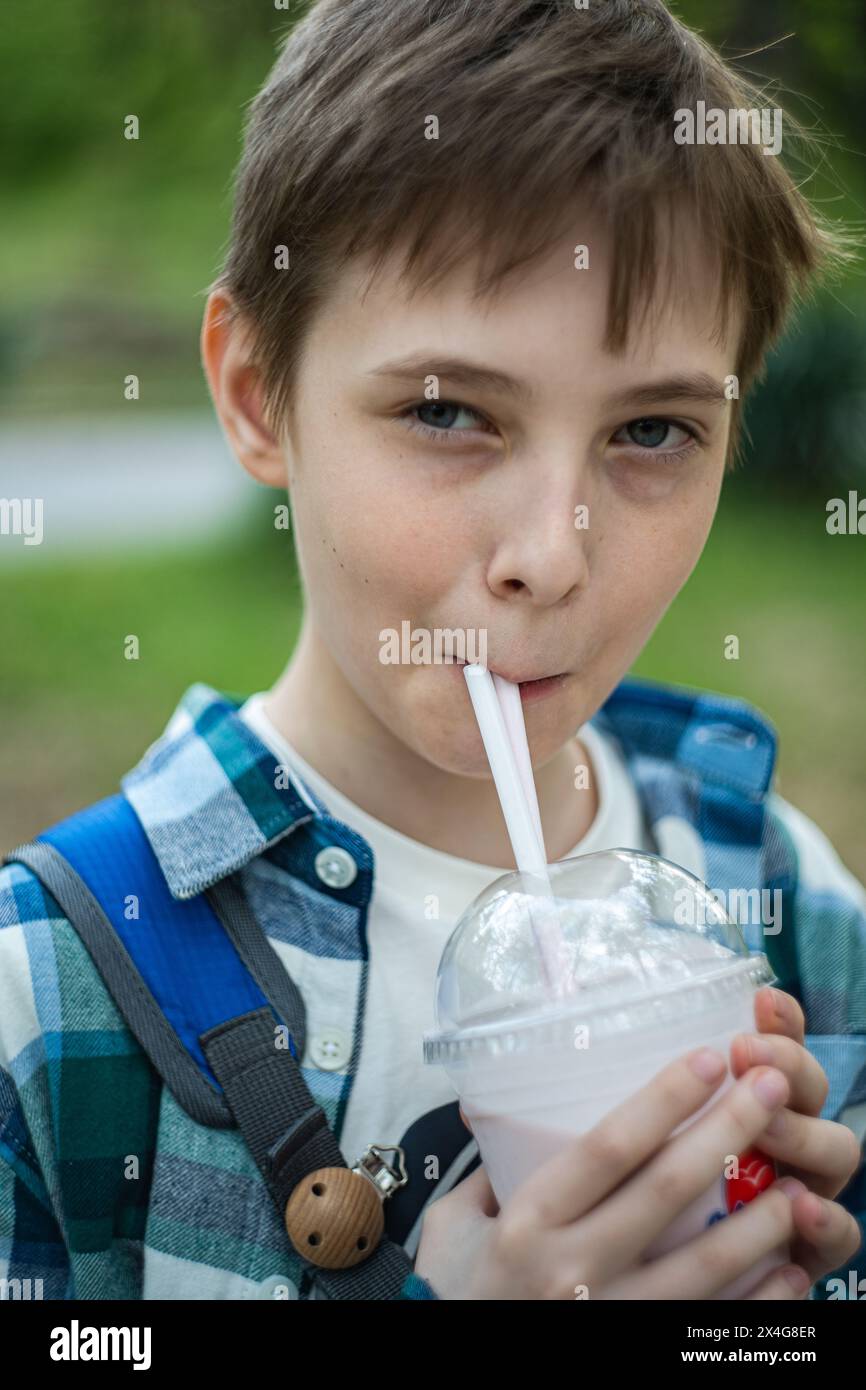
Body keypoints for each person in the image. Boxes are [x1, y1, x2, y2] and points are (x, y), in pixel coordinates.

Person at [1, 0, 862, 1301]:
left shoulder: (777, 901)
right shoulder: (53, 1003)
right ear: (255, 394)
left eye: (650, 433)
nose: (551, 555)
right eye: (448, 410)